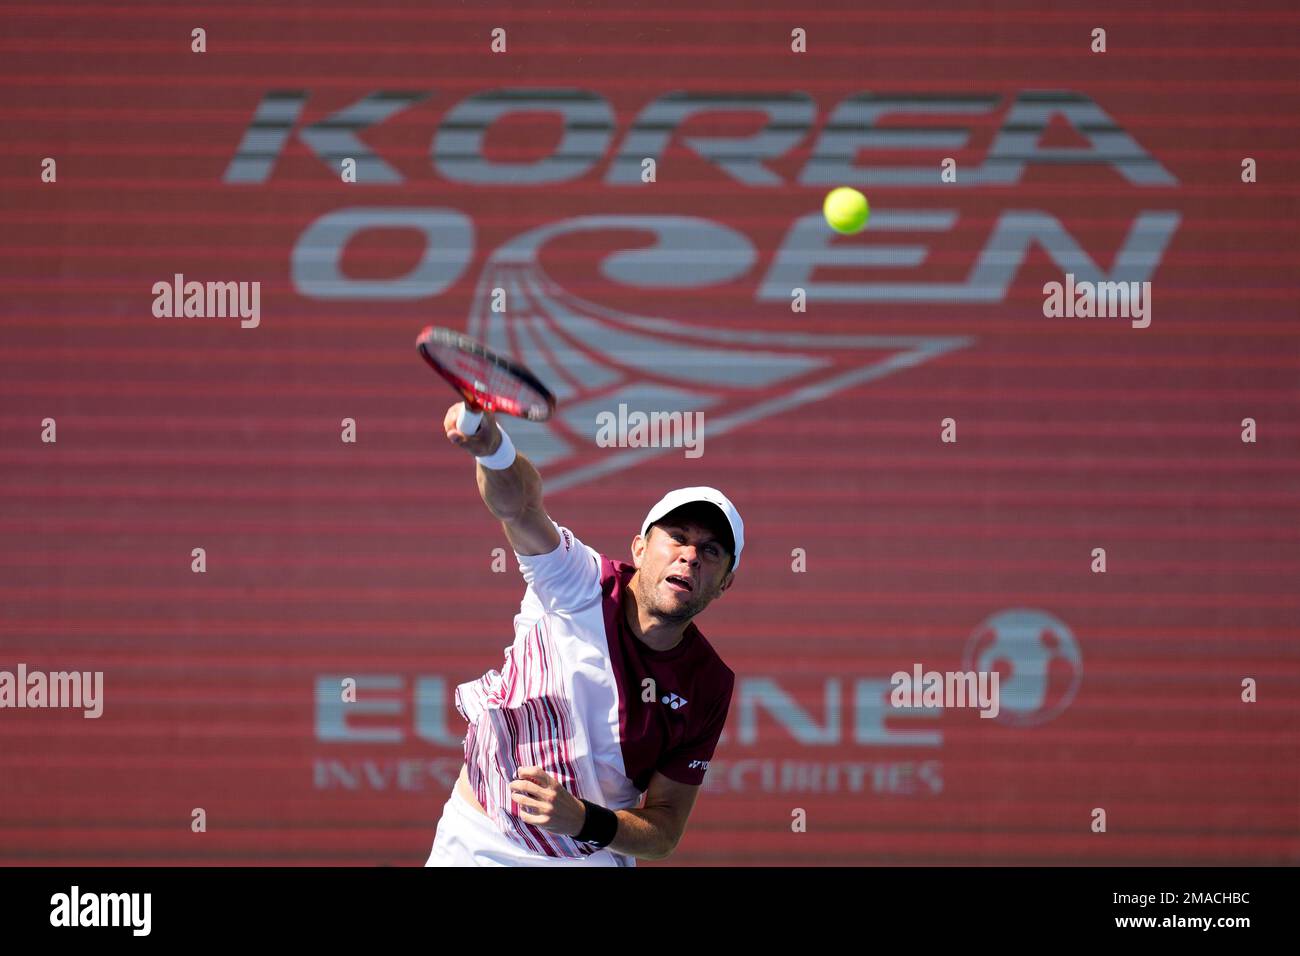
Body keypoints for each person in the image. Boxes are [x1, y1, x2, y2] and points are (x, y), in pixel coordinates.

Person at [425, 402, 743, 866]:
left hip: (587, 856)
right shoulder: (580, 581)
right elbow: (522, 508)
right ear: (640, 547)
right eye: (677, 536)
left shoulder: (709, 684)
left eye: (711, 550)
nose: (690, 556)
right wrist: (493, 450)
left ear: (724, 583)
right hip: (476, 843)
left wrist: (581, 820)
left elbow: (664, 830)